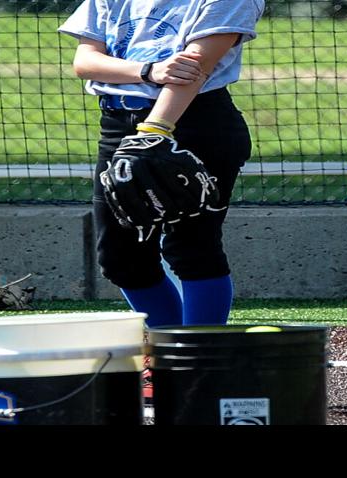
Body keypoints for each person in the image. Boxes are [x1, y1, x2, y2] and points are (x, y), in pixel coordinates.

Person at [59, 0, 262, 333]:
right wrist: (147, 70)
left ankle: (197, 360)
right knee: (120, 258)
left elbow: (195, 68)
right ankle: (167, 351)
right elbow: (85, 62)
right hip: (118, 125)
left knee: (192, 248)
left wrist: (154, 131)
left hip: (195, 123)